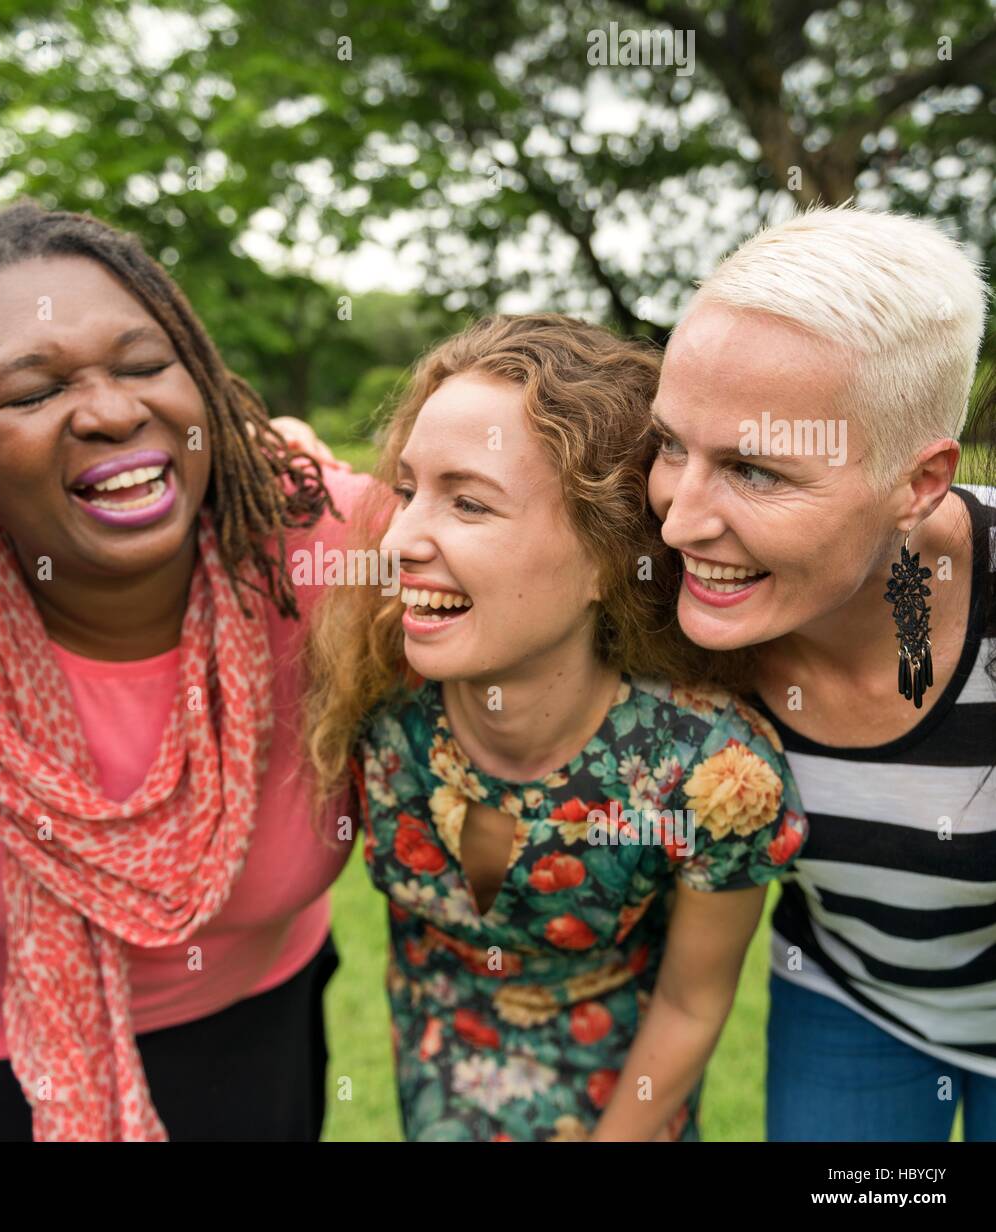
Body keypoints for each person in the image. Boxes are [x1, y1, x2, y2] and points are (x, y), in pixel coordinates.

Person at [0, 202, 373, 1142]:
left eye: (146, 365)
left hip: (264, 1014)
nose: (112, 411)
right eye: (30, 393)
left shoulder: (323, 545)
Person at [304, 313, 809, 1141]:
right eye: (405, 490)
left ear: (605, 560)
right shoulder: (382, 708)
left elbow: (692, 1002)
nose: (396, 540)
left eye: (468, 502)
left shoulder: (711, 772)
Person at [647, 204, 996, 1141]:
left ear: (920, 483)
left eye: (755, 472)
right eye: (674, 443)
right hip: (849, 1003)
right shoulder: (659, 588)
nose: (679, 521)